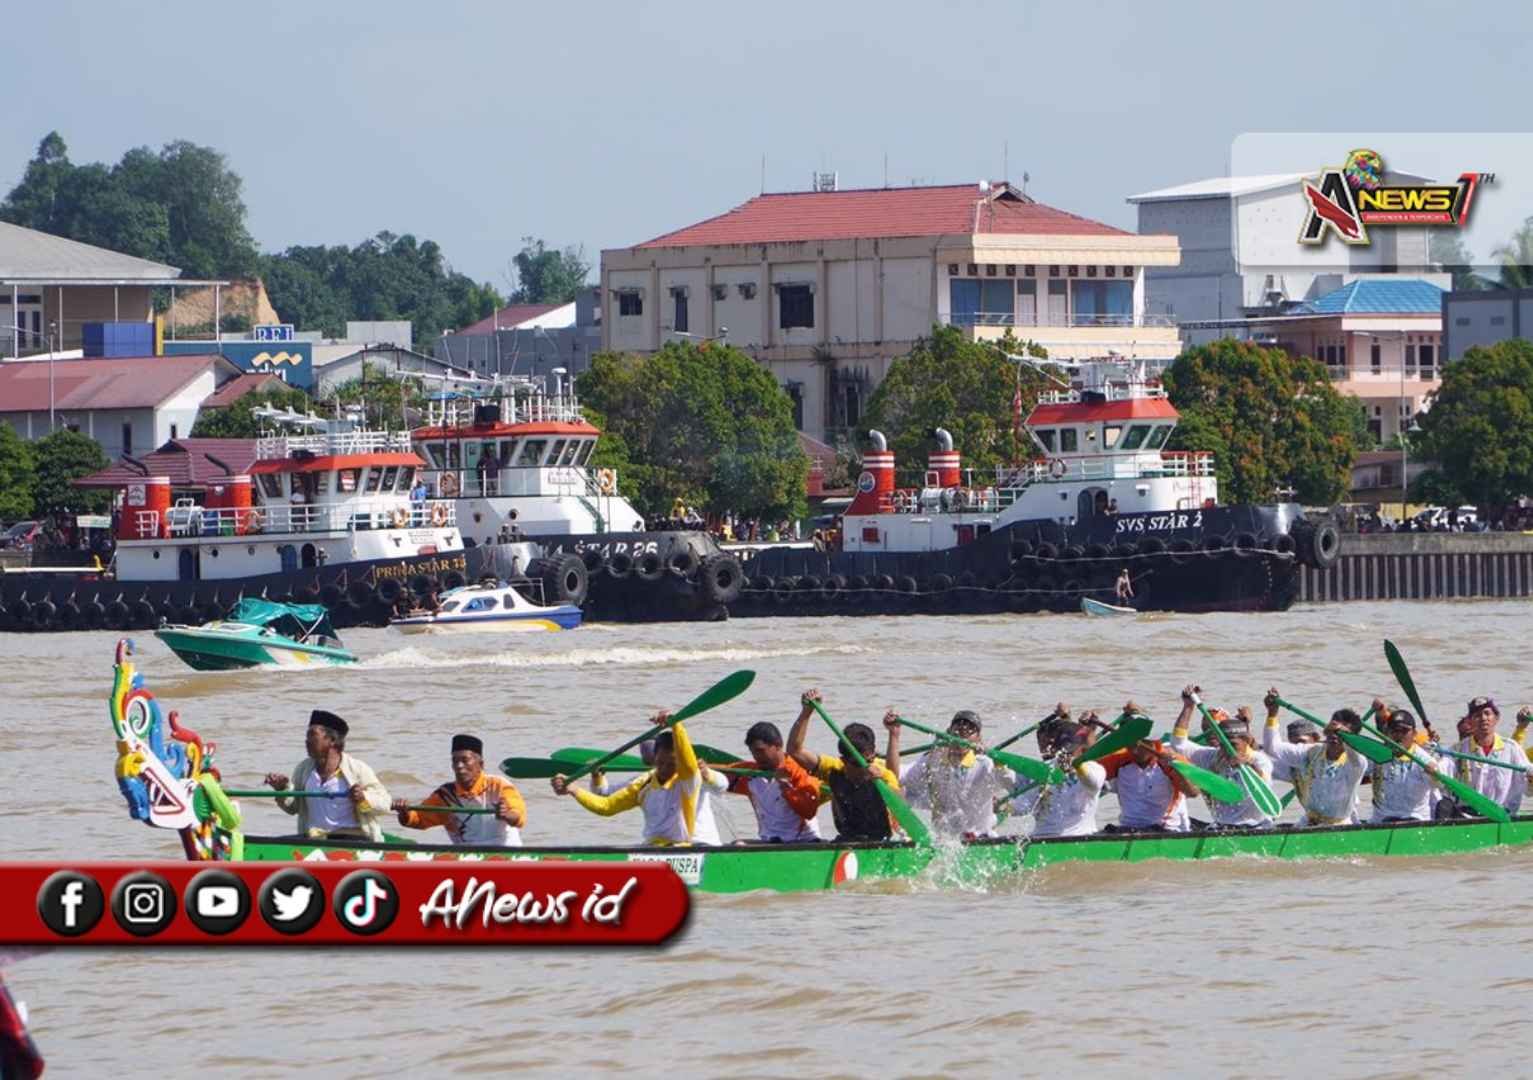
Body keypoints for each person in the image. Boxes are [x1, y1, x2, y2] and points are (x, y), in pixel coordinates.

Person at [551, 713, 727, 846]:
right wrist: (574, 789)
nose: (665, 767)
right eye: (661, 761)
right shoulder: (643, 784)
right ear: (654, 757)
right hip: (655, 848)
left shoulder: (688, 780)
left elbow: (713, 780)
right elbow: (606, 806)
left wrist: (676, 725)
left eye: (672, 763)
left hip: (692, 848)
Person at [786, 690, 903, 842]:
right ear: (843, 760)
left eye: (868, 762)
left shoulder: (883, 776)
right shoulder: (833, 769)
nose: (864, 769)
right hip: (845, 838)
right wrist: (807, 712)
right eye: (856, 763)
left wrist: (883, 785)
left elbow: (902, 809)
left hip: (880, 841)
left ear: (873, 756)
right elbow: (795, 750)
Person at [264, 710, 391, 841]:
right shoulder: (303, 769)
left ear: (332, 740)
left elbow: (385, 803)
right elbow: (293, 808)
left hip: (353, 841)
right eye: (307, 737)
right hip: (314, 840)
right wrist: (282, 789)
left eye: (312, 735)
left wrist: (362, 798)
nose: (307, 741)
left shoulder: (357, 769)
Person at [1168, 688, 1277, 829]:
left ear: (1246, 740)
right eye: (1223, 744)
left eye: (1233, 745)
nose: (1227, 749)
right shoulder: (1211, 756)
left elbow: (1262, 786)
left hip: (1256, 826)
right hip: (1221, 826)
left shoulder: (1259, 760)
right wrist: (1188, 706)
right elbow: (1178, 743)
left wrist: (1249, 766)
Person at [898, 710, 1016, 839]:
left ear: (978, 739)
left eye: (969, 731)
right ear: (949, 733)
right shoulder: (934, 761)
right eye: (958, 730)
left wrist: (996, 759)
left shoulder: (986, 764)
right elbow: (897, 775)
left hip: (982, 838)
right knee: (900, 790)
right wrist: (894, 735)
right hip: (946, 841)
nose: (962, 735)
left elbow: (1012, 785)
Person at [391, 734, 525, 846]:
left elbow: (519, 816)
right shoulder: (445, 795)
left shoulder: (499, 785)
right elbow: (417, 820)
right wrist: (404, 812)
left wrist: (507, 815)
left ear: (481, 764)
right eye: (455, 761)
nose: (459, 766)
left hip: (505, 854)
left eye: (465, 760)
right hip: (467, 858)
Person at [1261, 690, 1368, 825]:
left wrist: (1345, 735)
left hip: (1340, 824)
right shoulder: (1311, 752)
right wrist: (1272, 714)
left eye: (1341, 734)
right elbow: (1272, 748)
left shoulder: (1356, 763)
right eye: (1333, 732)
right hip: (1309, 821)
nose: (1335, 736)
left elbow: (1355, 752)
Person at [1095, 705, 1199, 832]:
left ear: (1154, 742)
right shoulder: (1119, 759)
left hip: (1167, 829)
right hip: (1128, 828)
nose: (1134, 750)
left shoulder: (1174, 760)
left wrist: (1175, 770)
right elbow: (1087, 769)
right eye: (1129, 744)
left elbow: (1193, 793)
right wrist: (1088, 730)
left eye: (1139, 744)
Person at [724, 721, 823, 842]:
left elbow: (809, 812)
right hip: (770, 841)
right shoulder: (750, 773)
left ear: (778, 746)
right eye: (753, 752)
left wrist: (786, 788)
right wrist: (701, 770)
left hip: (803, 841)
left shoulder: (799, 771)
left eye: (760, 751)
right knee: (737, 844)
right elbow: (718, 777)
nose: (756, 757)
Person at [1012, 719, 1107, 838]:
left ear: (1081, 749)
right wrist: (1004, 808)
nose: (1065, 755)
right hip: (1041, 837)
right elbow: (1025, 805)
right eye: (1062, 750)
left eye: (1070, 751)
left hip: (1079, 836)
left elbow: (1093, 783)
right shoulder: (1046, 769)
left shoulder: (1095, 769)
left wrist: (1076, 766)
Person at [1368, 708, 1449, 822]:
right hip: (1381, 820)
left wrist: (1434, 775)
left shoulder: (1424, 759)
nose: (1399, 735)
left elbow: (1439, 785)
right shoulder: (1377, 755)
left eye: (1404, 731)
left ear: (1414, 734)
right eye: (1395, 731)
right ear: (1387, 733)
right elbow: (1355, 766)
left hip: (1415, 820)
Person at [1451, 696, 1528, 816]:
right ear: (1470, 722)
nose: (1483, 719)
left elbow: (1527, 785)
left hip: (1502, 815)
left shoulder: (1511, 748)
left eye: (1487, 714)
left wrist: (1531, 777)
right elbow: (1441, 774)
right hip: (1468, 816)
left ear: (1496, 718)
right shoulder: (1458, 750)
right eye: (1477, 715)